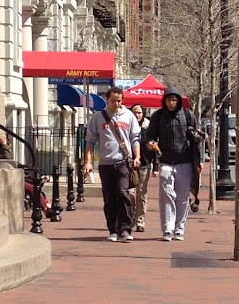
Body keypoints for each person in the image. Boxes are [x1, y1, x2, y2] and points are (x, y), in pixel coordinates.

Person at [83, 86, 141, 242]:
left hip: (123, 162)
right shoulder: (98, 117)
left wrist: (137, 156)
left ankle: (125, 229)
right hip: (105, 164)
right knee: (109, 198)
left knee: (123, 194)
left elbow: (135, 137)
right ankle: (113, 230)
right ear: (107, 100)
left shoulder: (128, 116)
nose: (117, 104)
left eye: (120, 101)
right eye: (114, 101)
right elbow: (90, 141)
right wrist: (87, 162)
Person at [142, 88, 201, 241]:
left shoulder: (188, 115)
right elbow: (150, 136)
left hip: (185, 161)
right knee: (166, 195)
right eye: (169, 100)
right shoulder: (158, 116)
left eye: (174, 100)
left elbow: (197, 139)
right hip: (165, 161)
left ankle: (179, 228)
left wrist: (199, 160)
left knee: (182, 197)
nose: (171, 103)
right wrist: (151, 144)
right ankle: (168, 228)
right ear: (164, 101)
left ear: (179, 101)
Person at [130, 105, 152, 233]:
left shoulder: (148, 127)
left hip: (145, 164)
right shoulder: (127, 126)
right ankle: (131, 218)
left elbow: (153, 146)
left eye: (139, 113)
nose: (137, 115)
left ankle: (140, 221)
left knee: (141, 193)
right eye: (135, 113)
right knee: (130, 193)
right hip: (131, 164)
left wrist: (155, 165)